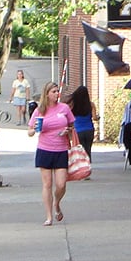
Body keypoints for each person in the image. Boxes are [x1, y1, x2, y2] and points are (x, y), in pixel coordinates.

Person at [28, 81, 75, 226]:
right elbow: (30, 131)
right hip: (45, 149)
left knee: (61, 184)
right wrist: (35, 129)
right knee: (47, 184)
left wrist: (67, 131)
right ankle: (49, 216)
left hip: (61, 149)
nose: (56, 94)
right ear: (47, 94)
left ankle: (57, 203)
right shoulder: (39, 110)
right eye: (53, 92)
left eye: (57, 91)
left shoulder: (64, 108)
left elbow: (72, 125)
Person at [67, 85, 98, 165]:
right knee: (88, 149)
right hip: (89, 129)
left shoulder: (73, 105)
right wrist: (98, 117)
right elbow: (94, 118)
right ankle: (88, 165)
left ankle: (82, 165)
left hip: (78, 130)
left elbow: (70, 118)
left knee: (80, 150)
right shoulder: (91, 105)